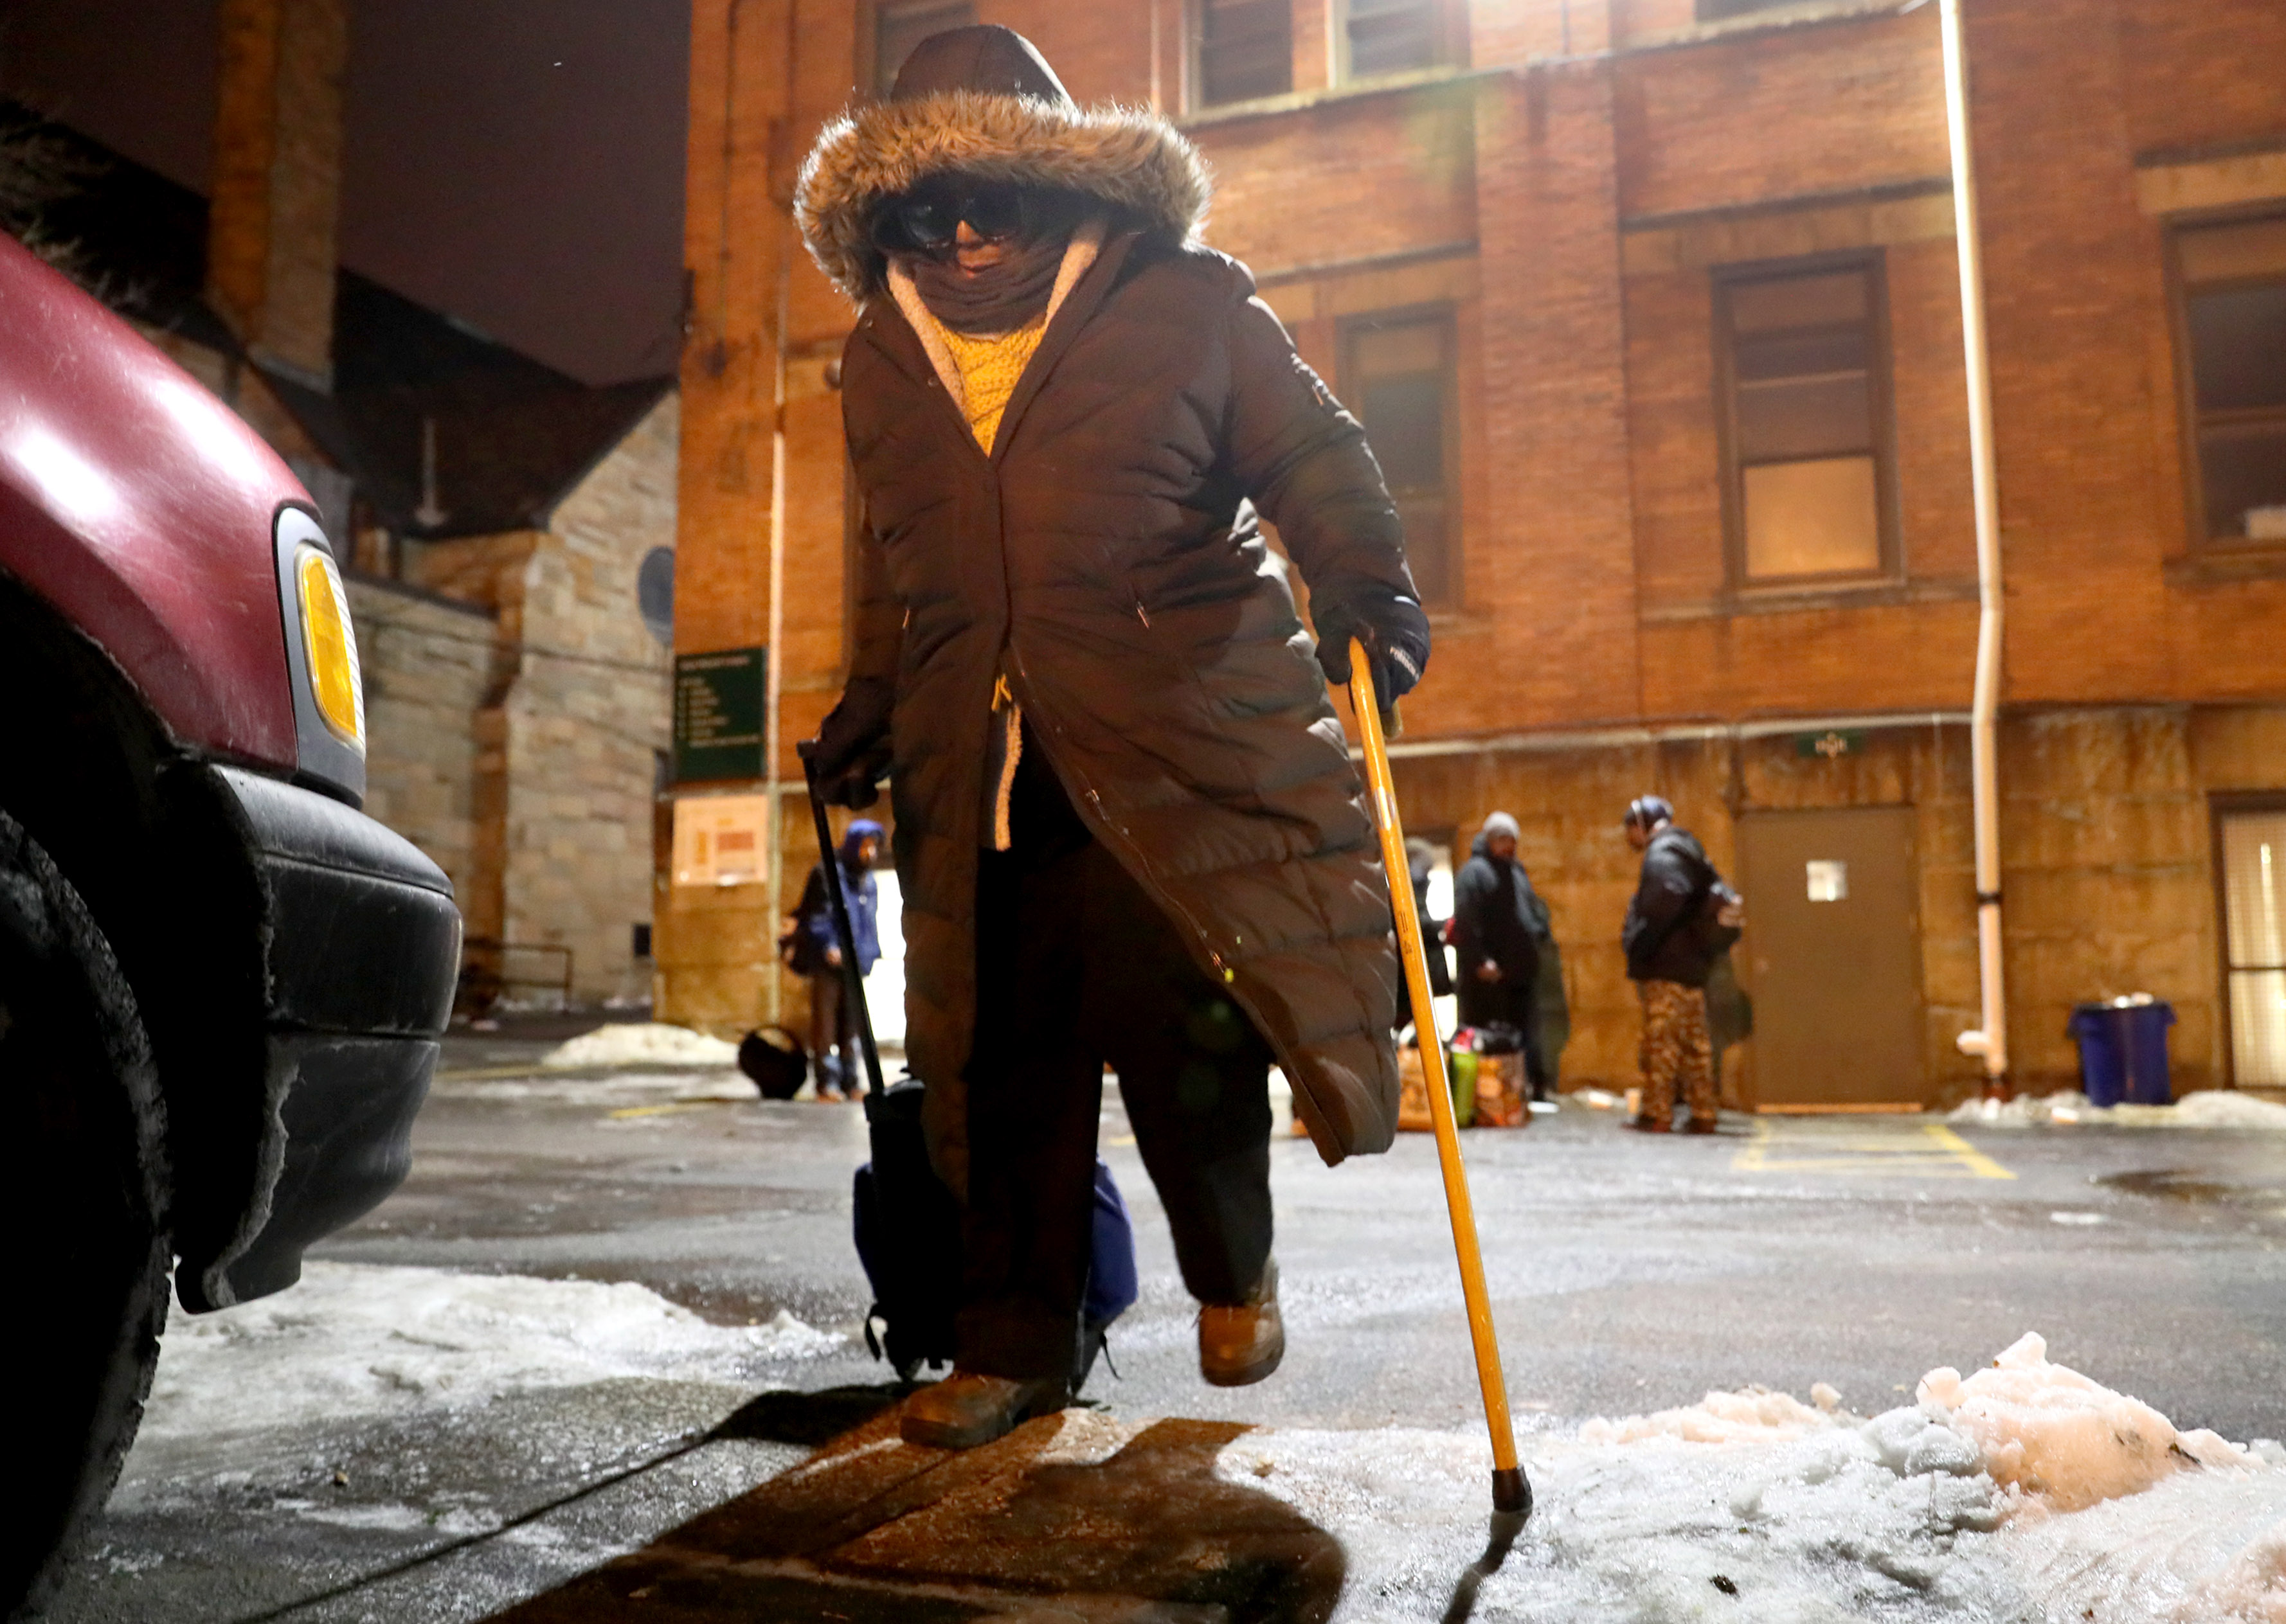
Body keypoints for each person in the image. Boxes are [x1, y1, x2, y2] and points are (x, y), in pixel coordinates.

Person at [797, 25, 1428, 1450]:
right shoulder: (879, 357)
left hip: (1166, 736)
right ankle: (1007, 1341)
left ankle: (1229, 1273)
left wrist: (1362, 592)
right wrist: (873, 703)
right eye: (922, 211)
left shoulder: (1181, 303)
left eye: (988, 202)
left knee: (1176, 1029)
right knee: (996, 1063)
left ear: (1055, 186)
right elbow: (893, 563)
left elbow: (1312, 454)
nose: (958, 235)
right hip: (980, 769)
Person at [1619, 796, 1742, 1134]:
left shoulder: (1661, 855)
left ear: (1642, 825)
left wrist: (1639, 945)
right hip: (1692, 966)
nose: (1629, 838)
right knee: (1695, 1045)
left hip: (1665, 964)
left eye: (1630, 829)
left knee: (1661, 1044)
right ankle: (1704, 1112)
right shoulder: (1690, 851)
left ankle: (1656, 1113)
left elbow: (1663, 905)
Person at [1451, 812, 1558, 1101]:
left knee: (1523, 1035)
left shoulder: (1515, 870)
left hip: (1517, 973)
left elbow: (1527, 910)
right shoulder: (1474, 874)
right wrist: (1480, 962)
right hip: (1489, 979)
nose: (1509, 846)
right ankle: (1491, 1098)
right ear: (1490, 840)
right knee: (1493, 1040)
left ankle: (1526, 1091)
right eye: (1503, 839)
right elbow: (1467, 923)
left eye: (1512, 840)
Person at [786, 819, 884, 1099]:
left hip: (856, 961)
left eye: (874, 847)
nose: (870, 853)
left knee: (852, 1024)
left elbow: (869, 921)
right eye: (865, 846)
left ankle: (850, 1081)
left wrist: (870, 951)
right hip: (828, 961)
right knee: (826, 1024)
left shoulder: (868, 881)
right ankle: (826, 1082)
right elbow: (817, 915)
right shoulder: (828, 873)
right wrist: (829, 944)